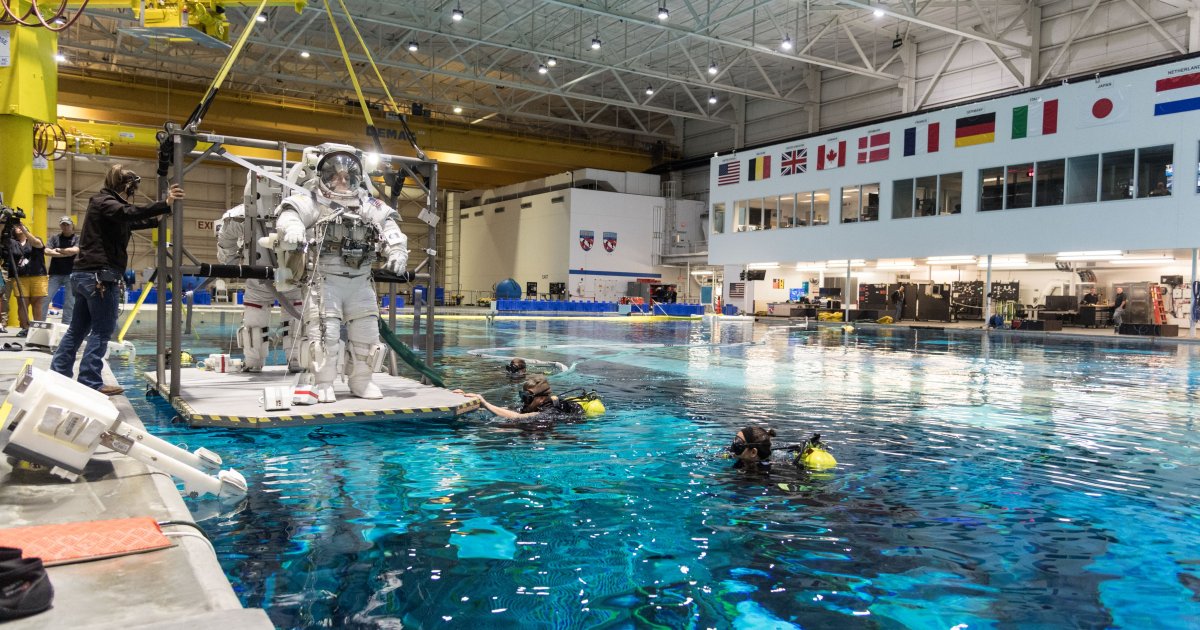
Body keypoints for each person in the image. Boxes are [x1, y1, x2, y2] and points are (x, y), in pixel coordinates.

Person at [273, 143, 408, 402]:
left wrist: (398, 252)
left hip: (360, 281)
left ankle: (361, 381)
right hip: (325, 281)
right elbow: (289, 215)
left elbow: (390, 227)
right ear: (323, 176)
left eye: (347, 176)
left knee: (367, 335)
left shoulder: (368, 203)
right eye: (335, 175)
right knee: (325, 334)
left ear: (357, 177)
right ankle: (324, 382)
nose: (341, 180)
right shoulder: (312, 199)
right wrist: (293, 229)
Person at [51, 164, 183, 396]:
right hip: (99, 277)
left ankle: (58, 375)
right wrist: (164, 203)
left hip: (85, 276)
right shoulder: (104, 202)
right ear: (127, 186)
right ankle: (90, 381)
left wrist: (165, 211)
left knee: (77, 330)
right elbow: (128, 214)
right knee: (102, 331)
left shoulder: (106, 206)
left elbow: (135, 220)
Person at [216, 171, 303, 372]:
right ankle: (295, 362)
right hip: (286, 280)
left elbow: (225, 244)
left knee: (257, 324)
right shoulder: (295, 216)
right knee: (293, 322)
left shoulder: (238, 217)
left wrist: (228, 258)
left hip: (267, 280)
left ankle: (256, 363)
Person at [455, 374, 586, 422]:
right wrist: (469, 401)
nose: (523, 400)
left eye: (527, 397)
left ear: (541, 399)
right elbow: (503, 410)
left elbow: (518, 417)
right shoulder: (530, 404)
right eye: (522, 395)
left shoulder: (549, 412)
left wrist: (485, 403)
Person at [7, 223, 47, 337]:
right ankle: (25, 328)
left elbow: (37, 244)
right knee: (22, 303)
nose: (18, 228)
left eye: (20, 227)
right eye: (16, 228)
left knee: (37, 303)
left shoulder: (35, 239)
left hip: (37, 275)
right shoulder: (13, 242)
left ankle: (37, 328)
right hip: (21, 277)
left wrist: (24, 230)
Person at [44, 216, 80, 324]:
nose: (65, 226)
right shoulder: (54, 238)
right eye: (63, 224)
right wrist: (67, 253)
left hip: (72, 274)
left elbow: (75, 250)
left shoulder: (77, 239)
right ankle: (40, 322)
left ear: (72, 225)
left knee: (70, 302)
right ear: (60, 225)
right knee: (45, 298)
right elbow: (46, 251)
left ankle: (66, 325)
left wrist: (59, 250)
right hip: (55, 274)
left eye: (67, 224)